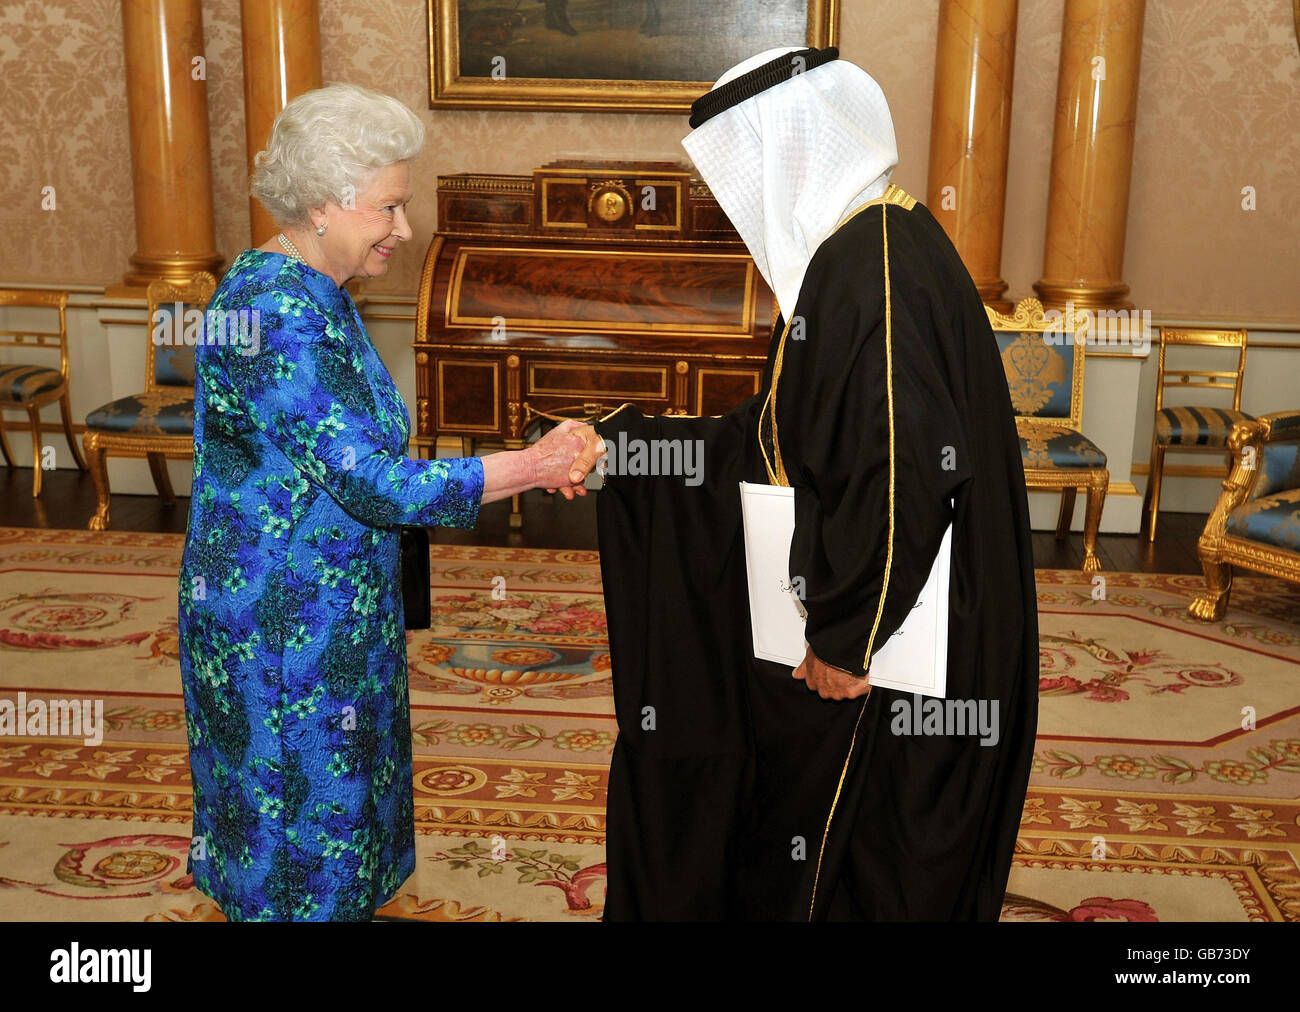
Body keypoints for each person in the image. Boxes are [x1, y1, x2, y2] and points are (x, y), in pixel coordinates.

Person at [588, 47, 1039, 920]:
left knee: (869, 856)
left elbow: (899, 471)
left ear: (788, 147)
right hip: (918, 620)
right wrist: (632, 448)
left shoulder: (867, 267)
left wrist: (844, 636)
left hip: (899, 643)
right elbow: (788, 438)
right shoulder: (882, 239)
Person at [177, 83, 600, 921]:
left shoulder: (309, 294)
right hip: (281, 630)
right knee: (296, 842)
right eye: (390, 207)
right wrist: (528, 465)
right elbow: (370, 480)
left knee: (336, 826)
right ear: (326, 204)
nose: (404, 231)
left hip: (330, 612)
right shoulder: (274, 313)